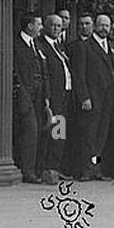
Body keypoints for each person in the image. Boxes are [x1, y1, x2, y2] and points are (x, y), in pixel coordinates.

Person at [69, 13, 114, 181]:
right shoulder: (85, 46)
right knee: (88, 135)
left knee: (101, 135)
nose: (104, 28)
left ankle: (96, 168)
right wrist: (84, 97)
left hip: (108, 99)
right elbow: (79, 74)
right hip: (92, 98)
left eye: (107, 25)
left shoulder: (111, 46)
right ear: (95, 26)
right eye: (101, 25)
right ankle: (86, 169)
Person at [12, 12, 48, 184]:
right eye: (39, 24)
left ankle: (35, 168)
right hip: (24, 97)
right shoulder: (16, 45)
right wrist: (23, 94)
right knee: (29, 132)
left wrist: (46, 96)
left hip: (39, 97)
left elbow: (43, 71)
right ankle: (28, 171)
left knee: (41, 131)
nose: (41, 28)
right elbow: (16, 72)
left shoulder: (37, 44)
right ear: (30, 26)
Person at [37, 14, 72, 182]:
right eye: (53, 25)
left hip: (64, 96)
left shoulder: (58, 46)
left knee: (60, 133)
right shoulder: (42, 45)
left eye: (59, 26)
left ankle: (55, 166)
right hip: (53, 97)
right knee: (53, 132)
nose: (57, 29)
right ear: (46, 26)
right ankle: (48, 168)